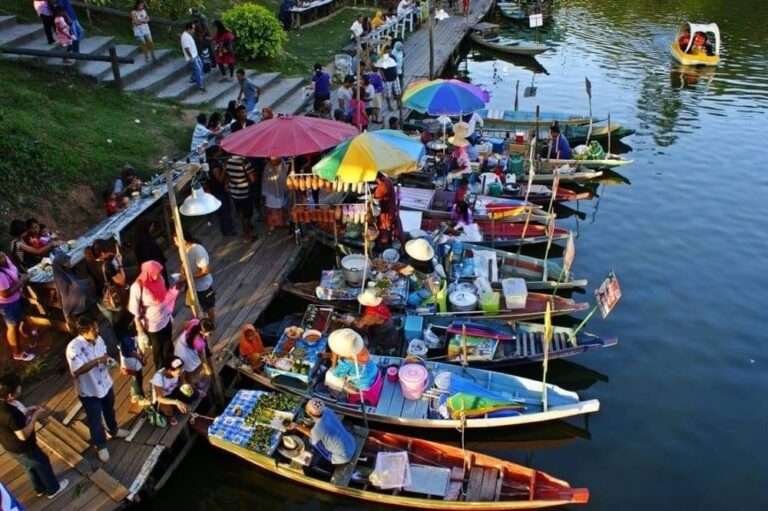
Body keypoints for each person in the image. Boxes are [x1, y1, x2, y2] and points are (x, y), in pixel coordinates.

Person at [66, 316, 129, 462]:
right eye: (93, 329)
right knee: (94, 419)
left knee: (109, 409)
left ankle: (113, 430)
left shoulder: (99, 339)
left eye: (96, 327)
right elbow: (77, 370)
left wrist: (108, 361)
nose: (96, 331)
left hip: (105, 384)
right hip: (89, 390)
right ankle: (100, 446)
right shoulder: (73, 348)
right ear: (83, 332)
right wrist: (98, 361)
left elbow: (104, 355)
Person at [0, 374, 69, 499]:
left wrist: (28, 410)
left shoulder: (6, 403)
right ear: (10, 395)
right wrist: (35, 416)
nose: (20, 389)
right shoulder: (10, 414)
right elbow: (23, 435)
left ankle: (39, 489)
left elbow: (13, 420)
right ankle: (53, 489)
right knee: (42, 462)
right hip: (23, 447)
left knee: (30, 467)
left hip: (9, 445)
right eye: (18, 388)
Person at [128, 261, 176, 370]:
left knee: (168, 342)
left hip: (165, 317)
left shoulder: (160, 279)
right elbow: (134, 308)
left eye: (159, 272)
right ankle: (160, 370)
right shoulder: (137, 287)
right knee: (158, 347)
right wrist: (139, 327)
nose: (159, 274)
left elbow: (164, 297)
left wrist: (169, 314)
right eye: (156, 272)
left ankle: (172, 366)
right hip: (153, 323)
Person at [288, 398, 355, 465]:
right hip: (352, 442)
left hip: (342, 457)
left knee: (312, 441)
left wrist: (296, 426)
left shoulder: (318, 429)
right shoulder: (327, 410)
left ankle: (321, 460)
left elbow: (312, 435)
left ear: (310, 413)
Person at [173, 231, 216, 320]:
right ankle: (198, 321)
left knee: (208, 306)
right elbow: (184, 262)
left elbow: (205, 270)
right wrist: (182, 272)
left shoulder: (198, 250)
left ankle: (211, 323)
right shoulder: (182, 249)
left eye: (176, 241)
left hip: (202, 286)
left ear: (183, 240)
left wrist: (188, 277)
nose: (175, 243)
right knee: (192, 303)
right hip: (190, 284)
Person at [0, 252, 35, 361]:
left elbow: (14, 271)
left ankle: (29, 335)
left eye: (1, 256)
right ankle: (17, 353)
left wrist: (22, 275)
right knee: (12, 326)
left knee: (22, 318)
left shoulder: (5, 259)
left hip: (18, 297)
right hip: (8, 304)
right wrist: (21, 281)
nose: (2, 259)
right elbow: (5, 294)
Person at [85, 238, 127, 326]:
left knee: (110, 320)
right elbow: (122, 281)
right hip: (111, 297)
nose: (109, 253)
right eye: (107, 251)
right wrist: (120, 264)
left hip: (99, 298)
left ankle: (115, 333)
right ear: (102, 253)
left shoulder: (89, 261)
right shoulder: (107, 265)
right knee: (120, 317)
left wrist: (112, 255)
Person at [52, 253, 98, 331]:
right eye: (67, 262)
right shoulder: (65, 280)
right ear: (62, 265)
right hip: (79, 308)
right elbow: (76, 287)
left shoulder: (61, 277)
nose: (70, 262)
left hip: (73, 309)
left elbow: (60, 296)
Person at [325, 329, 378, 395]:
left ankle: (340, 396)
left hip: (366, 384)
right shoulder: (361, 347)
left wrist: (334, 359)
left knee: (330, 377)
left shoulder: (346, 363)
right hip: (374, 372)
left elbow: (336, 373)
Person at [150, 356, 198, 426]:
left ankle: (178, 406)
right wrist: (176, 402)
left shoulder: (178, 372)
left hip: (173, 392)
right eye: (179, 371)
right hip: (163, 398)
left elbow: (182, 381)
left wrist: (186, 386)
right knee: (168, 409)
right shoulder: (158, 378)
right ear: (169, 370)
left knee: (193, 394)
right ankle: (170, 415)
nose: (181, 373)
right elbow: (159, 398)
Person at [173, 318, 214, 392]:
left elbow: (184, 325)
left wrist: (188, 333)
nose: (210, 334)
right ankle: (192, 384)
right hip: (187, 354)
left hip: (181, 345)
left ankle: (183, 381)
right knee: (191, 371)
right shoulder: (199, 342)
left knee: (183, 368)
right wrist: (207, 368)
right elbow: (201, 356)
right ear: (202, 331)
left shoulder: (196, 322)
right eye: (209, 333)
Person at [352, 289, 398, 354]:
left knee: (377, 340)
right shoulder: (379, 303)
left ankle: (386, 350)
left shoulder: (370, 314)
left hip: (382, 328)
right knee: (390, 336)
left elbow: (361, 325)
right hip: (388, 321)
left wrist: (354, 322)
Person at [225, 155, 259, 243]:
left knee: (240, 211)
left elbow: (228, 176)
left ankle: (247, 226)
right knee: (246, 215)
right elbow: (253, 179)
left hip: (234, 192)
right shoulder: (245, 162)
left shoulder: (228, 161)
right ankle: (247, 236)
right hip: (244, 193)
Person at [132, 218, 168, 285]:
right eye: (151, 226)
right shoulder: (142, 242)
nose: (152, 228)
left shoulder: (146, 238)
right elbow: (146, 258)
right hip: (153, 271)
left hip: (157, 267)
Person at [373, 171, 403, 248]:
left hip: (386, 213)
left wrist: (373, 193)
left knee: (384, 230)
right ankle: (386, 245)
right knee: (387, 229)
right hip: (390, 210)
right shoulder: (387, 180)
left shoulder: (383, 185)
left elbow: (377, 196)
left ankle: (384, 249)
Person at [261, 157, 289, 235]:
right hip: (271, 190)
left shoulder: (282, 164)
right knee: (271, 207)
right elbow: (266, 179)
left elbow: (284, 175)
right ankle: (272, 224)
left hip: (281, 188)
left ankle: (284, 221)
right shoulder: (268, 167)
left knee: (282, 205)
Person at [207, 159, 235, 236]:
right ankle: (227, 231)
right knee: (224, 213)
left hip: (219, 192)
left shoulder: (210, 163)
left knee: (226, 211)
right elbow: (220, 179)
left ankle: (228, 228)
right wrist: (224, 169)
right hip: (219, 192)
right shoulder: (215, 167)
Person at [118, 329, 146, 405]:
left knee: (135, 378)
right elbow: (131, 352)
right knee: (137, 378)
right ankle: (141, 398)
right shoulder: (125, 338)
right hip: (131, 360)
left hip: (133, 359)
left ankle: (134, 395)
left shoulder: (128, 336)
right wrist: (141, 359)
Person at [181, 22, 205, 93]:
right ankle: (200, 86)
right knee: (198, 71)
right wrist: (191, 57)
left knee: (200, 67)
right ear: (189, 29)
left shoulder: (188, 35)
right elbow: (186, 48)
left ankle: (193, 79)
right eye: (193, 29)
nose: (194, 31)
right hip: (192, 57)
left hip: (195, 55)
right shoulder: (185, 37)